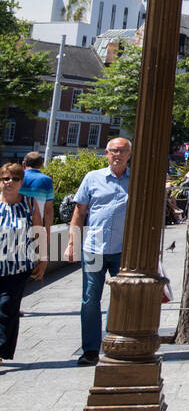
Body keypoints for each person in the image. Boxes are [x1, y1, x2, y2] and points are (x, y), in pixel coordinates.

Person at [64, 137, 133, 365]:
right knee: (90, 298)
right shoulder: (92, 178)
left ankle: (114, 339)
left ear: (129, 154)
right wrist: (72, 243)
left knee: (122, 298)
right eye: (113, 150)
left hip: (123, 249)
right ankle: (91, 349)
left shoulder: (135, 180)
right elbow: (79, 212)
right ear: (106, 153)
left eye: (122, 151)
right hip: (94, 248)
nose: (117, 155)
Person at [1, 162, 46, 369]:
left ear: (21, 183)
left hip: (18, 268)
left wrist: (42, 259)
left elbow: (38, 231)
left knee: (7, 308)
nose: (9, 182)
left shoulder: (29, 203)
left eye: (15, 179)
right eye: (5, 178)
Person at [22, 152, 55, 234]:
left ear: (23, 164)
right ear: (41, 165)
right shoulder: (46, 180)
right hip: (35, 229)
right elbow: (48, 210)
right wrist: (47, 235)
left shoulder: (15, 178)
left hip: (14, 227)